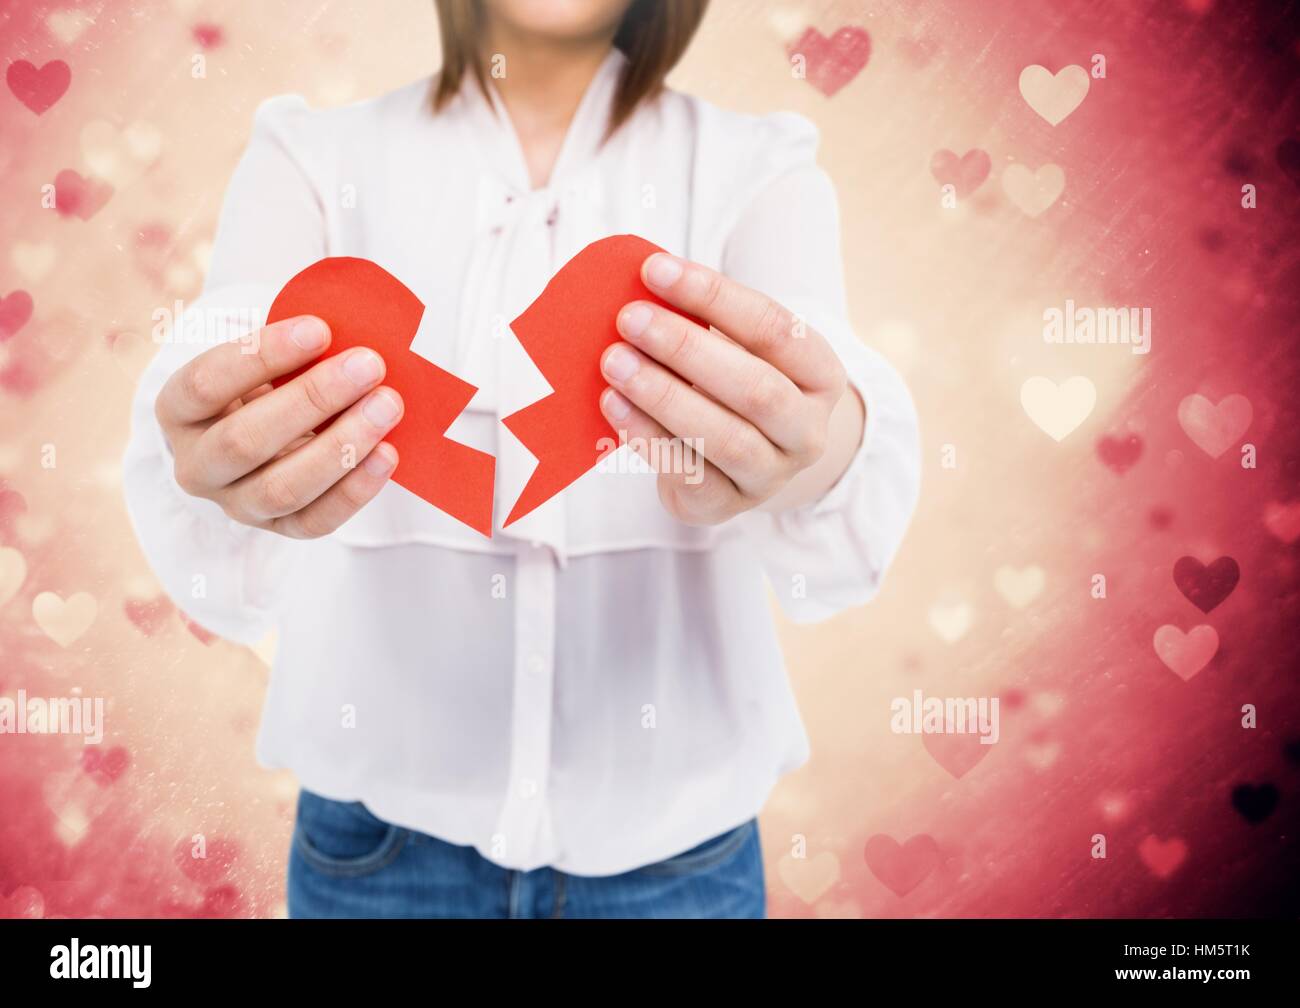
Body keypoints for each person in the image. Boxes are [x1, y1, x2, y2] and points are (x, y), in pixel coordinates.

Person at [121, 0, 921, 918]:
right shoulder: (311, 158)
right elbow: (222, 352)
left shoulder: (757, 167)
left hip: (681, 864)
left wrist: (818, 451)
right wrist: (214, 450)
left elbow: (834, 413)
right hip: (372, 858)